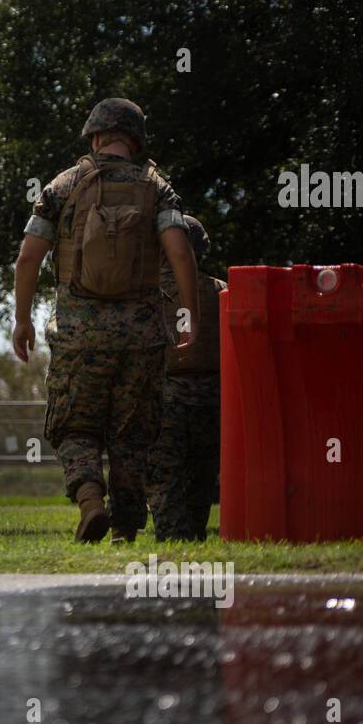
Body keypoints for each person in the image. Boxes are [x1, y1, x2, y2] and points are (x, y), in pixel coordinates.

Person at [12, 98, 199, 543]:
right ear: (134, 139)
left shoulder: (64, 185)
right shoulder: (157, 188)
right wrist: (189, 313)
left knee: (75, 427)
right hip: (142, 337)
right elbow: (180, 250)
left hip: (79, 335)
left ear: (95, 135)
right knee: (132, 436)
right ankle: (125, 533)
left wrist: (22, 320)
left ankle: (90, 501)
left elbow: (27, 259)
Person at [146, 215, 225, 541]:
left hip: (163, 393)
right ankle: (194, 534)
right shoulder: (223, 292)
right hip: (213, 394)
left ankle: (173, 538)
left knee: (164, 471)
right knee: (202, 470)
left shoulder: (143, 294)